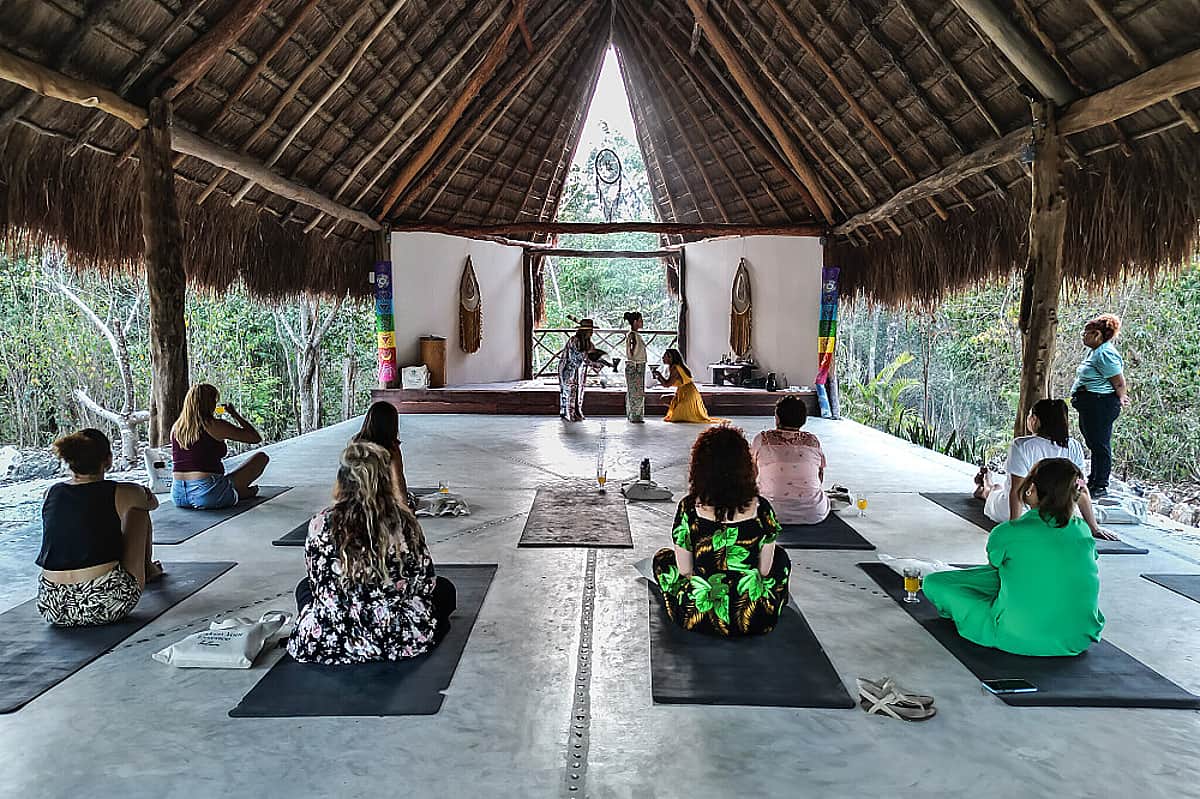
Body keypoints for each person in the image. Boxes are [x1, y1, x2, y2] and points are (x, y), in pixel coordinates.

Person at [288, 441, 456, 664]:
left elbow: (317, 580)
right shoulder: (402, 521)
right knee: (445, 590)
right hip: (395, 635)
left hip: (332, 635)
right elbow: (425, 583)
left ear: (341, 481)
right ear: (385, 482)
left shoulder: (321, 522)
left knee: (303, 589)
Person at [923, 458, 1105, 657]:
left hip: (1016, 636)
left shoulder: (1008, 532)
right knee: (1027, 577)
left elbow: (994, 566)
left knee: (934, 583)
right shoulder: (1083, 531)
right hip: (1078, 638)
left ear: (1032, 489)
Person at [652, 425, 791, 637]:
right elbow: (764, 571)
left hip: (699, 615)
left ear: (700, 469)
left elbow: (685, 570)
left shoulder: (689, 508)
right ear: (745, 467)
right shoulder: (762, 509)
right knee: (781, 557)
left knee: (662, 560)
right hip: (754, 618)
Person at [35, 429, 162, 626]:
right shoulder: (123, 491)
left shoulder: (51, 492)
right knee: (139, 513)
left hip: (53, 606)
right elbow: (152, 504)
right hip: (105, 603)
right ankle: (148, 568)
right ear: (108, 460)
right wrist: (141, 494)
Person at [975, 398, 1117, 539]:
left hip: (1024, 511)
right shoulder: (1074, 446)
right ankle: (987, 484)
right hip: (1059, 513)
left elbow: (1017, 491)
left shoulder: (1021, 446)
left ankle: (986, 485)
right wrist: (1094, 528)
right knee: (997, 489)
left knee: (995, 490)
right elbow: (1081, 487)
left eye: (1030, 415)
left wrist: (1015, 528)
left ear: (1035, 420)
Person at [171, 383, 269, 510]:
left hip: (178, 495)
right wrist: (235, 414)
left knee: (223, 479)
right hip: (207, 494)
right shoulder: (214, 425)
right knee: (261, 458)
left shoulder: (176, 428)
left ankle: (236, 492)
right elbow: (255, 438)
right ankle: (238, 493)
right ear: (210, 404)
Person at [1070, 314, 1130, 497]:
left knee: (1100, 443)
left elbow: (1118, 381)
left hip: (1100, 403)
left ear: (1096, 334)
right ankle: (1094, 479)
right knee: (1093, 442)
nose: (1083, 336)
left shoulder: (1105, 353)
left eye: (1085, 333)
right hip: (1090, 404)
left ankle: (1101, 484)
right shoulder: (1096, 352)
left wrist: (1121, 397)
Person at [750, 396, 829, 525]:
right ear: (803, 419)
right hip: (812, 513)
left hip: (768, 512)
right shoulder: (812, 441)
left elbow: (752, 474)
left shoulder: (762, 439)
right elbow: (820, 476)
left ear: (777, 418)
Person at [354, 400, 410, 504]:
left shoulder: (354, 443)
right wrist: (406, 511)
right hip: (380, 502)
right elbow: (398, 481)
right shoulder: (391, 448)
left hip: (355, 500)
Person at [652, 349, 725, 424]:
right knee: (664, 398)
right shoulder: (675, 366)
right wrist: (658, 375)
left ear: (670, 357)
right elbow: (667, 383)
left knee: (674, 413)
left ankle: (682, 411)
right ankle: (679, 410)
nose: (662, 358)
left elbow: (667, 385)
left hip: (688, 395)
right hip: (686, 392)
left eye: (664, 356)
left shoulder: (675, 368)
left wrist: (658, 375)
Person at [559, 319, 596, 422]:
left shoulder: (589, 343)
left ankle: (577, 411)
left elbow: (592, 357)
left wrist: (600, 362)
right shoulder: (574, 340)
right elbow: (574, 357)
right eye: (590, 330)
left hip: (579, 371)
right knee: (569, 390)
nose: (592, 332)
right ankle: (568, 413)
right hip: (568, 368)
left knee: (579, 390)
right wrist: (588, 357)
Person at [623, 311, 647, 423]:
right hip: (636, 366)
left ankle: (634, 415)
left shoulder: (635, 334)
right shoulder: (632, 335)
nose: (642, 322)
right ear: (635, 322)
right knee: (636, 392)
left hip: (637, 365)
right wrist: (634, 365)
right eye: (641, 320)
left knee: (636, 392)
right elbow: (632, 352)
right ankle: (635, 416)